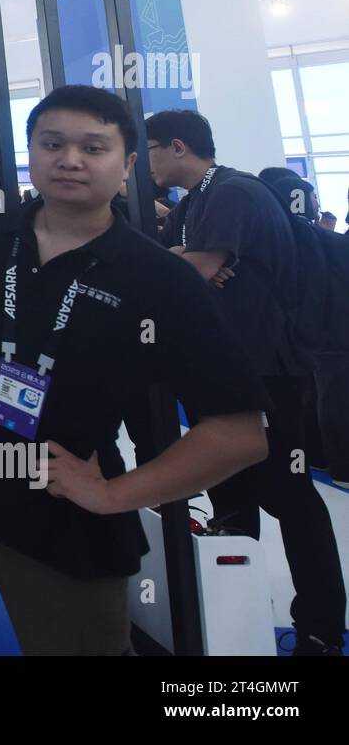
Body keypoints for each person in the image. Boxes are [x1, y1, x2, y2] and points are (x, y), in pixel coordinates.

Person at [0, 85, 268, 656]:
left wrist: (115, 495)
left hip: (66, 517)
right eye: (52, 143)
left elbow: (239, 433)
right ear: (31, 151)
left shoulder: (158, 278)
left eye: (94, 147)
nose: (70, 160)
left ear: (129, 163)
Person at [147, 110, 346, 655]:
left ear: (179, 147)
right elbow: (177, 262)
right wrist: (186, 261)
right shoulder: (194, 203)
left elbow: (201, 265)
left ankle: (320, 628)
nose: (147, 164)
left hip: (269, 374)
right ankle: (238, 618)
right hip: (224, 371)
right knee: (231, 496)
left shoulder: (234, 192)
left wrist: (197, 262)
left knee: (291, 498)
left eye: (152, 150)